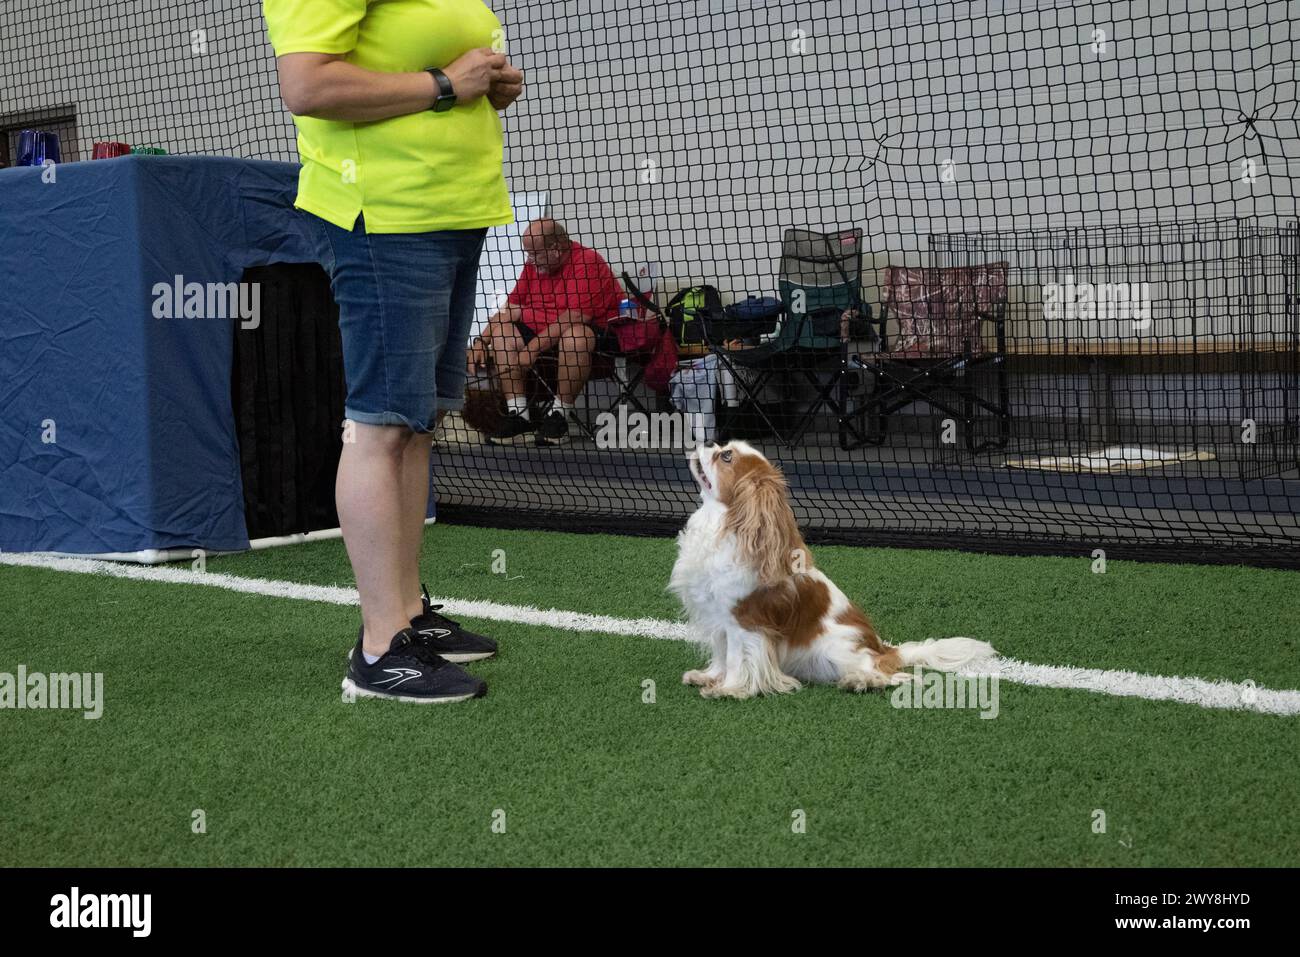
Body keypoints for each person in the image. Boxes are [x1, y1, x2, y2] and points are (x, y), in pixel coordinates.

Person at [264, 0, 523, 703]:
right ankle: (380, 651)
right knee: (379, 423)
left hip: (452, 210)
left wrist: (491, 82)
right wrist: (444, 84)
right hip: (384, 214)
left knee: (415, 423)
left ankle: (408, 616)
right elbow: (308, 86)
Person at [469, 218, 623, 445]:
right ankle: (519, 415)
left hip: (593, 335)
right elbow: (510, 307)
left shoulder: (588, 262)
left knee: (575, 336)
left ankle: (560, 415)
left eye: (535, 254)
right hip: (546, 334)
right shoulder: (534, 266)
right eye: (528, 254)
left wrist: (531, 346)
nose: (530, 260)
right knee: (503, 334)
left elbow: (576, 316)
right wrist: (481, 342)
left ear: (556, 249)